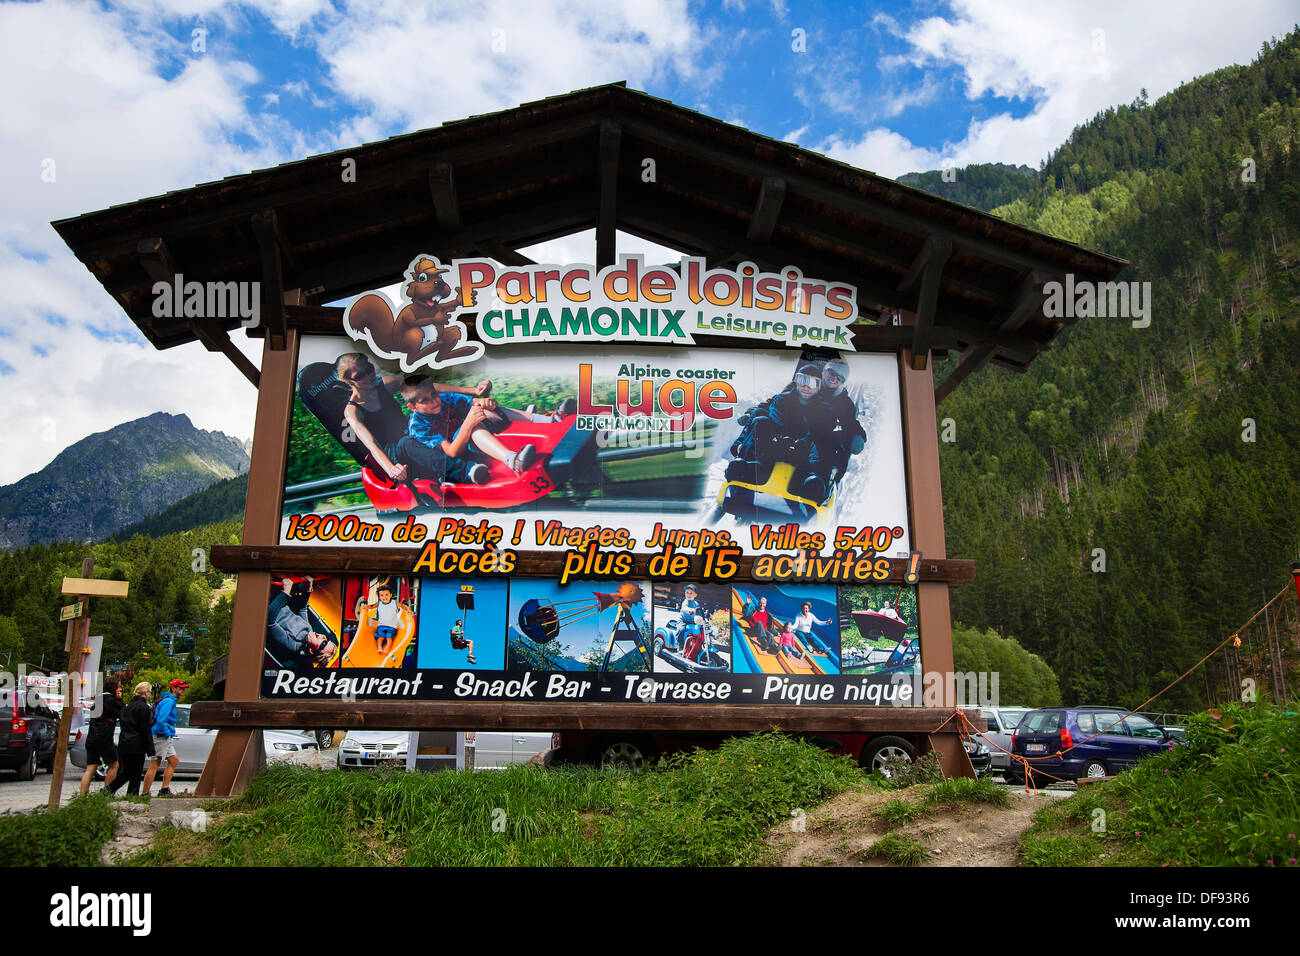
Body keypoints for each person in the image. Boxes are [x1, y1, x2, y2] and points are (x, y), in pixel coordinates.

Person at [726, 364, 833, 503]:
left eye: (813, 383)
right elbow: (776, 421)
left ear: (819, 387)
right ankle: (747, 468)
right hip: (776, 448)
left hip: (802, 454)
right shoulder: (782, 399)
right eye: (802, 381)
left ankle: (812, 483)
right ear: (796, 381)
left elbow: (819, 431)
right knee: (761, 421)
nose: (806, 387)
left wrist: (803, 442)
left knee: (827, 439)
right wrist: (782, 440)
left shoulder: (824, 409)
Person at [400, 375, 539, 483]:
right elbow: (452, 453)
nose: (434, 401)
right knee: (474, 425)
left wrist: (486, 403)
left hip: (470, 442)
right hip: (458, 457)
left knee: (485, 410)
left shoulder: (445, 399)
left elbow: (474, 403)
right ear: (412, 407)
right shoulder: (417, 426)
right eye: (425, 401)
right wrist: (468, 423)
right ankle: (513, 460)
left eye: (434, 394)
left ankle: (544, 420)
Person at [267, 577, 338, 666]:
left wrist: (284, 594)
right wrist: (308, 590)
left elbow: (269, 622)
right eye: (327, 639)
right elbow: (302, 609)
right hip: (278, 598)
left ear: (312, 651)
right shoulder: (309, 630)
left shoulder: (294, 645)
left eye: (324, 643)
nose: (323, 637)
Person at [818, 359, 866, 480]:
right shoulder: (809, 386)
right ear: (824, 372)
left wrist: (858, 434)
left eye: (840, 378)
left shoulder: (844, 403)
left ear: (843, 382)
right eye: (832, 373)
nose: (834, 379)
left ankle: (827, 478)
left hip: (821, 441)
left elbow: (850, 424)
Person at [107, 682, 154, 797]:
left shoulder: (127, 707)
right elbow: (145, 729)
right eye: (149, 692)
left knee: (126, 772)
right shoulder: (144, 708)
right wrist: (150, 748)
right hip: (137, 744)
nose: (150, 695)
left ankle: (110, 790)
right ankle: (129, 794)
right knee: (136, 773)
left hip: (124, 742)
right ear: (146, 692)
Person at [141, 679, 187, 797]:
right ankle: (145, 793)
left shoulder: (168, 700)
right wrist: (166, 733)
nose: (183, 690)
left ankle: (164, 789)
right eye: (181, 688)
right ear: (174, 689)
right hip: (161, 736)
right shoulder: (169, 702)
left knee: (174, 760)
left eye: (184, 688)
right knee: (155, 764)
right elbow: (161, 720)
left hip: (163, 735)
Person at [80, 677, 123, 795]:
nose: (120, 689)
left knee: (90, 768)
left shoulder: (97, 700)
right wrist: (119, 699)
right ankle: (107, 792)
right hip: (104, 738)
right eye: (119, 687)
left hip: (92, 737)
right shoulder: (111, 700)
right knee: (114, 765)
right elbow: (123, 712)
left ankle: (82, 796)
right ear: (114, 688)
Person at [368, 581, 402, 656]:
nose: (384, 597)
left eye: (386, 595)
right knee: (381, 636)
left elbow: (402, 606)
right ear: (379, 597)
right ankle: (379, 647)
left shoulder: (394, 602)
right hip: (381, 625)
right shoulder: (379, 603)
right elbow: (372, 606)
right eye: (382, 595)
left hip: (392, 626)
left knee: (389, 637)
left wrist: (409, 610)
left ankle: (387, 648)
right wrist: (365, 607)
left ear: (391, 595)